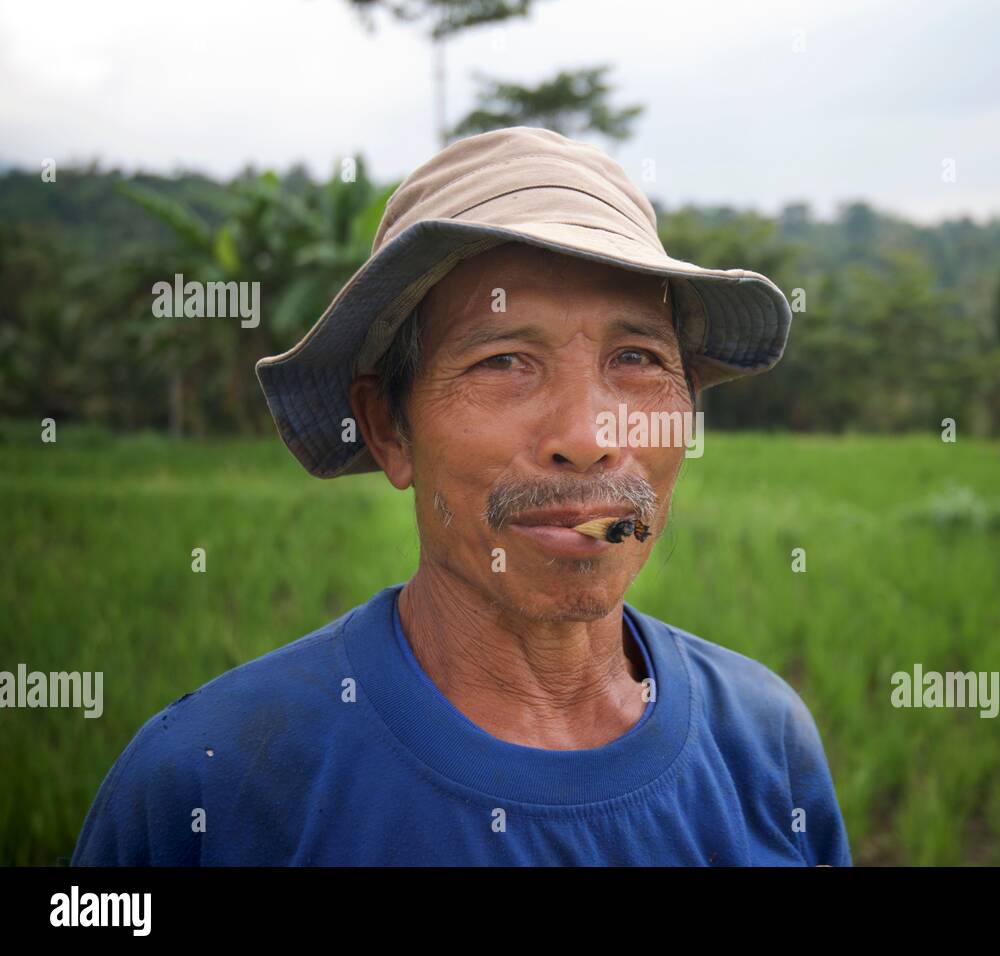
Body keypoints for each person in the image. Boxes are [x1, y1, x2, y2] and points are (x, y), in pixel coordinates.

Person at [72, 126, 852, 866]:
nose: (586, 436)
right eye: (505, 361)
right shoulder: (211, 784)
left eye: (637, 357)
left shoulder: (767, 743)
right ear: (388, 429)